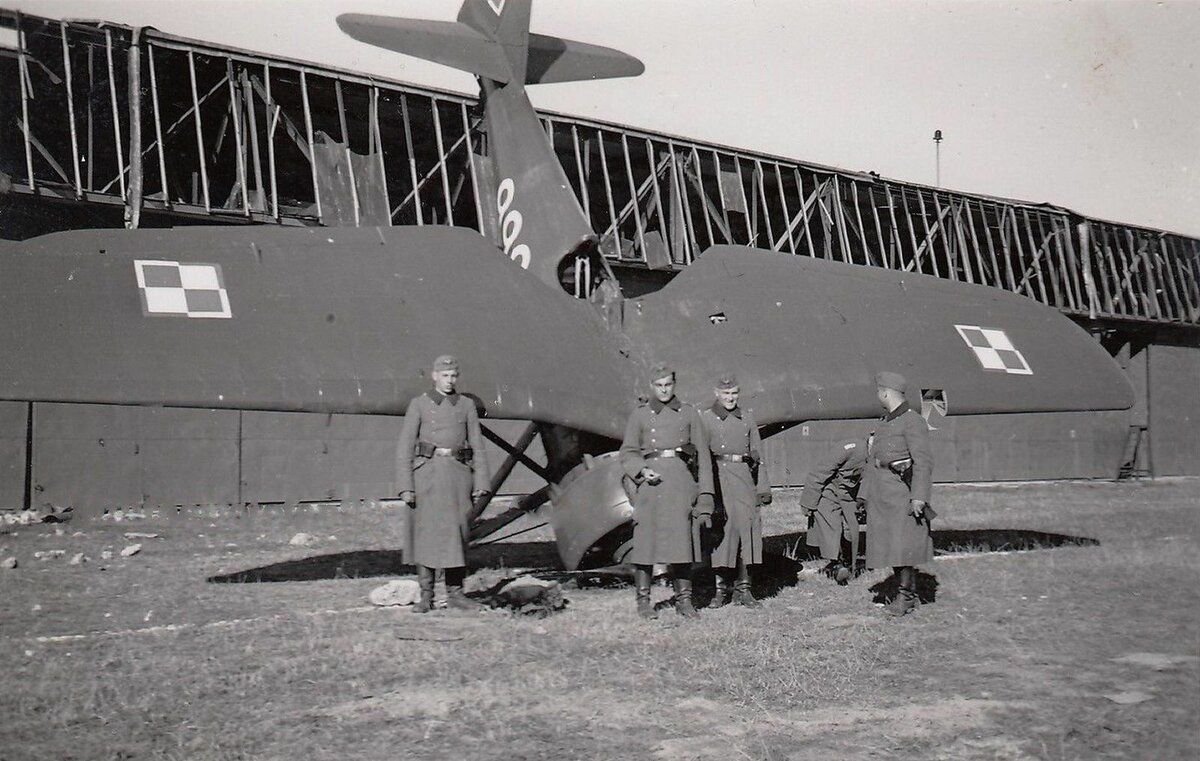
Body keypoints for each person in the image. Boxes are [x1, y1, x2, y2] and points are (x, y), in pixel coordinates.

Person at [619, 363, 715, 619]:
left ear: (674, 385)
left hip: (679, 484)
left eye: (668, 385)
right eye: (659, 385)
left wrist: (705, 494)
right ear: (652, 386)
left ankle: (684, 601)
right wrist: (641, 470)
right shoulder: (639, 415)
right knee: (646, 542)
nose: (663, 390)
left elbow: (703, 457)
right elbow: (628, 452)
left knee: (681, 542)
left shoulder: (689, 413)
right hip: (650, 486)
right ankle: (643, 602)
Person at [396, 355, 490, 613]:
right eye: (444, 375)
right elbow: (405, 447)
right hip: (427, 475)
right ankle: (427, 596)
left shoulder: (466, 405)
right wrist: (406, 486)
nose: (449, 381)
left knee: (456, 534)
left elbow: (478, 446)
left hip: (458, 476)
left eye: (453, 375)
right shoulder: (419, 405)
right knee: (426, 534)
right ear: (434, 376)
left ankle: (456, 593)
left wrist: (481, 481)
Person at [862, 371, 934, 617]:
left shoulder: (912, 421)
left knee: (903, 544)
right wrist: (865, 494)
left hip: (901, 492)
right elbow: (874, 460)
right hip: (882, 493)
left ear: (885, 392)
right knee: (891, 545)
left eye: (878, 391)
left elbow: (923, 461)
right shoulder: (885, 421)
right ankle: (905, 593)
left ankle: (907, 597)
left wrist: (919, 496)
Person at [698, 373, 771, 608]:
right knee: (724, 533)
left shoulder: (747, 418)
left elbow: (757, 455)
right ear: (716, 394)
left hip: (743, 479)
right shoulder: (706, 419)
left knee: (747, 531)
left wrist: (762, 488)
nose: (730, 398)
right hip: (719, 479)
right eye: (726, 394)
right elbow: (701, 457)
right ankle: (721, 590)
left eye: (734, 393)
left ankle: (745, 590)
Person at [799, 438, 866, 584]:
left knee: (852, 530)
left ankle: (849, 565)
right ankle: (838, 565)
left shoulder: (880, 455)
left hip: (851, 496)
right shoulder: (850, 448)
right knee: (831, 528)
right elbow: (819, 473)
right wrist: (808, 502)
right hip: (829, 492)